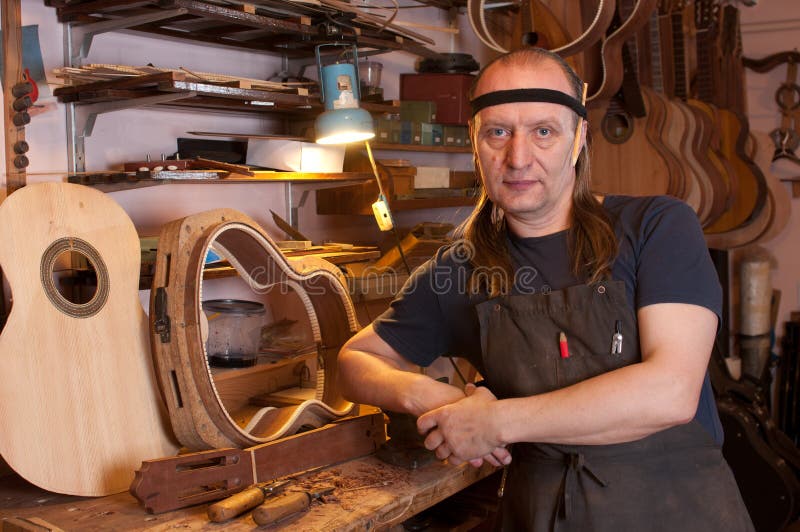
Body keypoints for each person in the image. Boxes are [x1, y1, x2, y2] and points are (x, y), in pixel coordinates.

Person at [337, 47, 753, 531]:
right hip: (540, 517)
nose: (518, 158)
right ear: (476, 144)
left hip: (679, 513)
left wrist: (497, 422)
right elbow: (354, 362)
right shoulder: (460, 270)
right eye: (497, 132)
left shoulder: (657, 227)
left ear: (578, 140)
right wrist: (439, 403)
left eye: (543, 132)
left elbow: (671, 391)